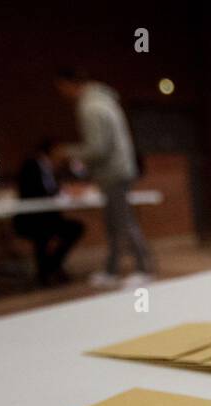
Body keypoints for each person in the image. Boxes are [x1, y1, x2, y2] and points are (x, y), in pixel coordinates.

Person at [54, 68, 153, 289]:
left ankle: (142, 268)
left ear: (70, 84)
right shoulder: (103, 101)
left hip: (114, 172)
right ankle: (113, 270)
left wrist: (68, 152)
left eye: (61, 88)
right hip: (115, 171)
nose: (63, 94)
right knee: (114, 223)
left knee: (124, 222)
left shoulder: (91, 107)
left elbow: (98, 148)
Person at [15, 139, 86, 285]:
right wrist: (59, 195)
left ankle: (50, 266)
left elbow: (54, 188)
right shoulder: (31, 166)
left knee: (75, 229)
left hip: (49, 216)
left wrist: (66, 190)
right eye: (59, 151)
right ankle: (47, 271)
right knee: (42, 235)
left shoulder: (51, 168)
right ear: (51, 151)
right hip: (32, 218)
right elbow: (34, 192)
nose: (62, 155)